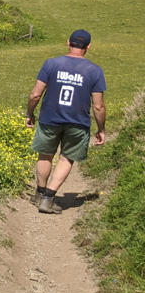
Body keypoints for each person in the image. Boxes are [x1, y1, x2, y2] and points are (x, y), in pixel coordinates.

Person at [25, 29, 106, 214]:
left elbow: (36, 94)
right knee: (66, 157)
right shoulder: (94, 70)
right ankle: (48, 199)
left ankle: (39, 193)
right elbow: (99, 106)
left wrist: (29, 113)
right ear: (88, 47)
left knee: (45, 155)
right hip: (77, 122)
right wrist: (101, 129)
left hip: (49, 119)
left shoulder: (51, 63)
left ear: (68, 42)